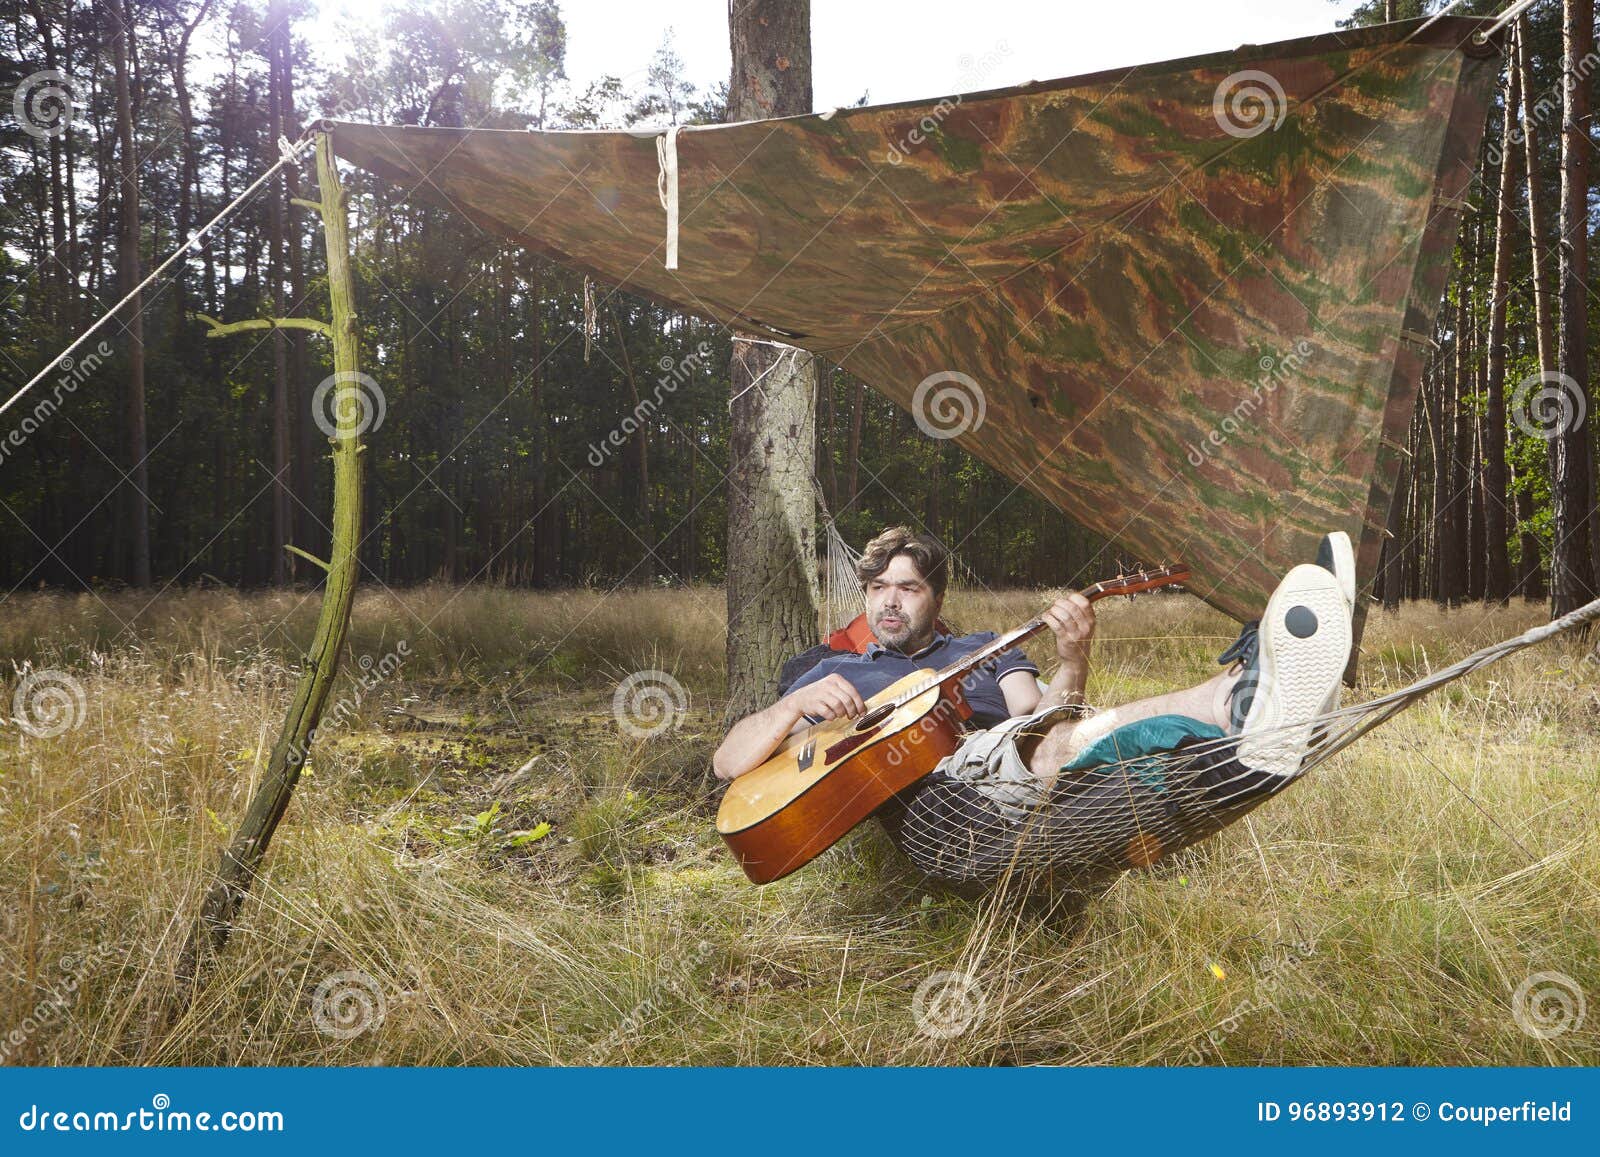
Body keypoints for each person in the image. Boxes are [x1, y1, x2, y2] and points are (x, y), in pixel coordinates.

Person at [712, 526, 1356, 887]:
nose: (889, 602)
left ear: (935, 595)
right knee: (1029, 752)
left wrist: (1072, 659)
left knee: (1040, 739)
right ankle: (1237, 699)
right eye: (878, 588)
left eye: (907, 589)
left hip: (1009, 765)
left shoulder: (984, 650)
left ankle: (1246, 704)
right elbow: (727, 764)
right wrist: (794, 703)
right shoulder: (837, 669)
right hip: (935, 806)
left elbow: (1045, 714)